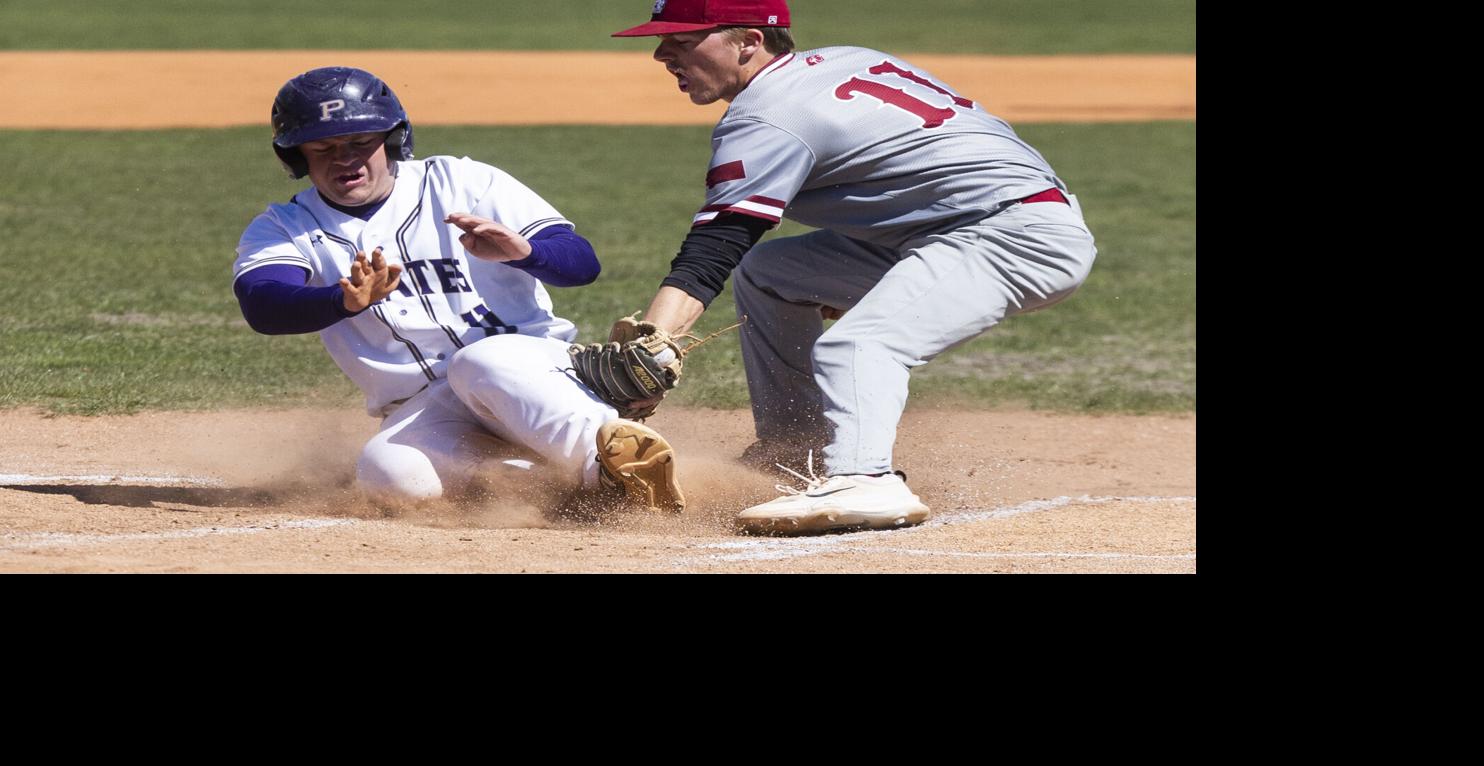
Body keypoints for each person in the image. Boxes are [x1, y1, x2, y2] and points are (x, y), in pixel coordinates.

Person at [608, 0, 1096, 535]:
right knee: (771, 274)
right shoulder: (846, 59)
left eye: (681, 41)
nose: (661, 54)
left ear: (748, 40)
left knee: (860, 344)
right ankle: (795, 450)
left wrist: (654, 341)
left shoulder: (768, 115)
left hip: (1008, 236)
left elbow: (717, 244)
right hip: (965, 226)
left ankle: (865, 478)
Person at [231, 66, 684, 511]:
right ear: (297, 156)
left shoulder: (461, 182)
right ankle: (548, 485)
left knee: (478, 360)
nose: (344, 158)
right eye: (323, 147)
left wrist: (525, 252)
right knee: (388, 472)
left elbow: (581, 263)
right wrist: (342, 301)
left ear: (390, 139)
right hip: (423, 406)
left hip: (528, 372)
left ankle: (606, 467)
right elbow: (263, 303)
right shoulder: (284, 227)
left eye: (359, 143)